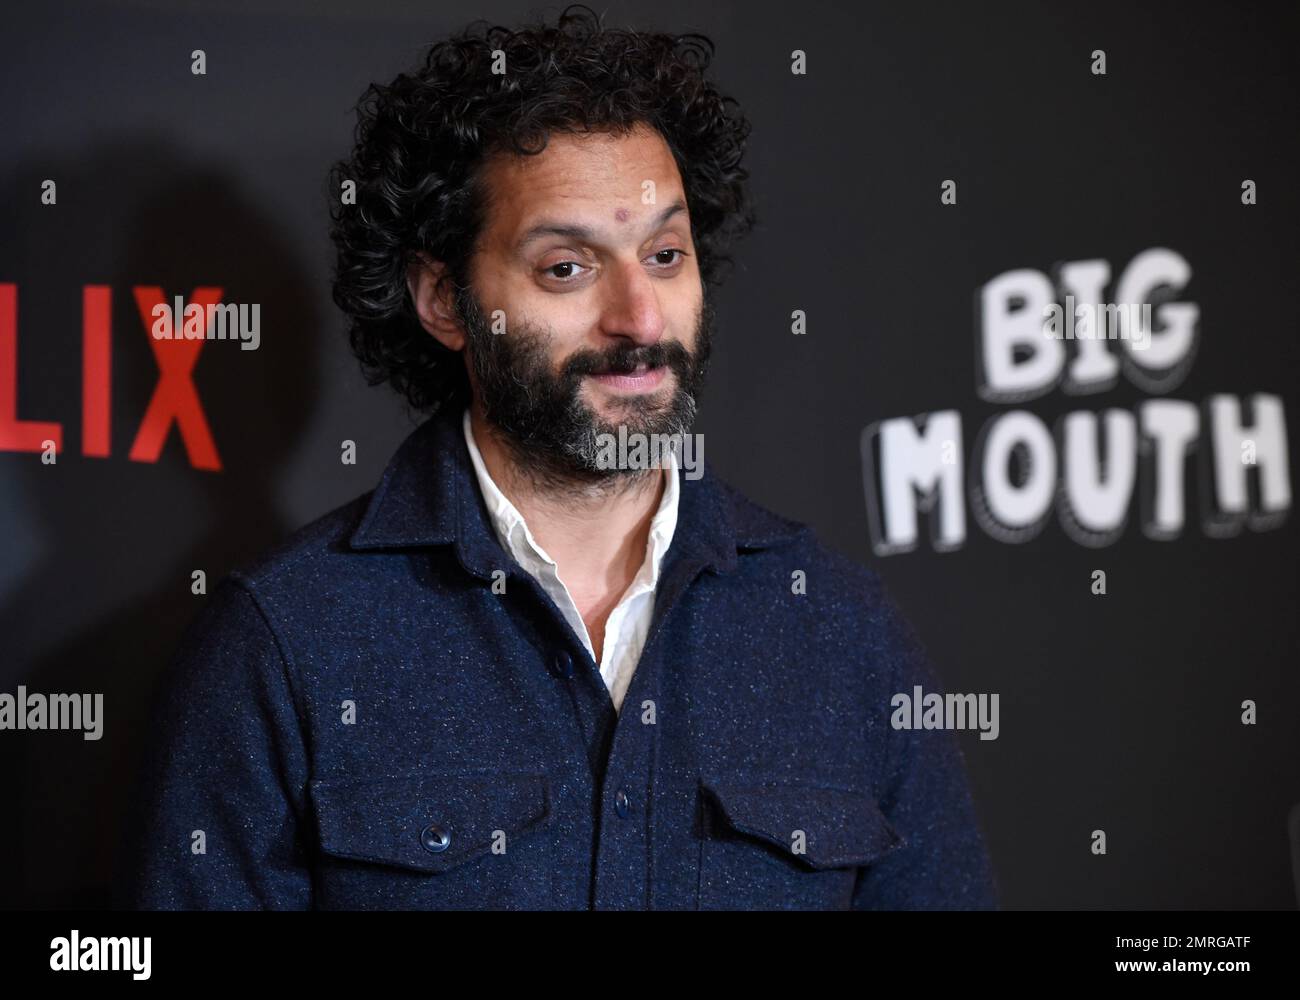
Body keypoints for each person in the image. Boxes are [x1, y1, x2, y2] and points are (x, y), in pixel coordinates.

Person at [126, 3, 998, 910]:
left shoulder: (840, 630)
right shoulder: (283, 643)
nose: (640, 318)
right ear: (443, 300)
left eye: (664, 254)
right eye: (566, 269)